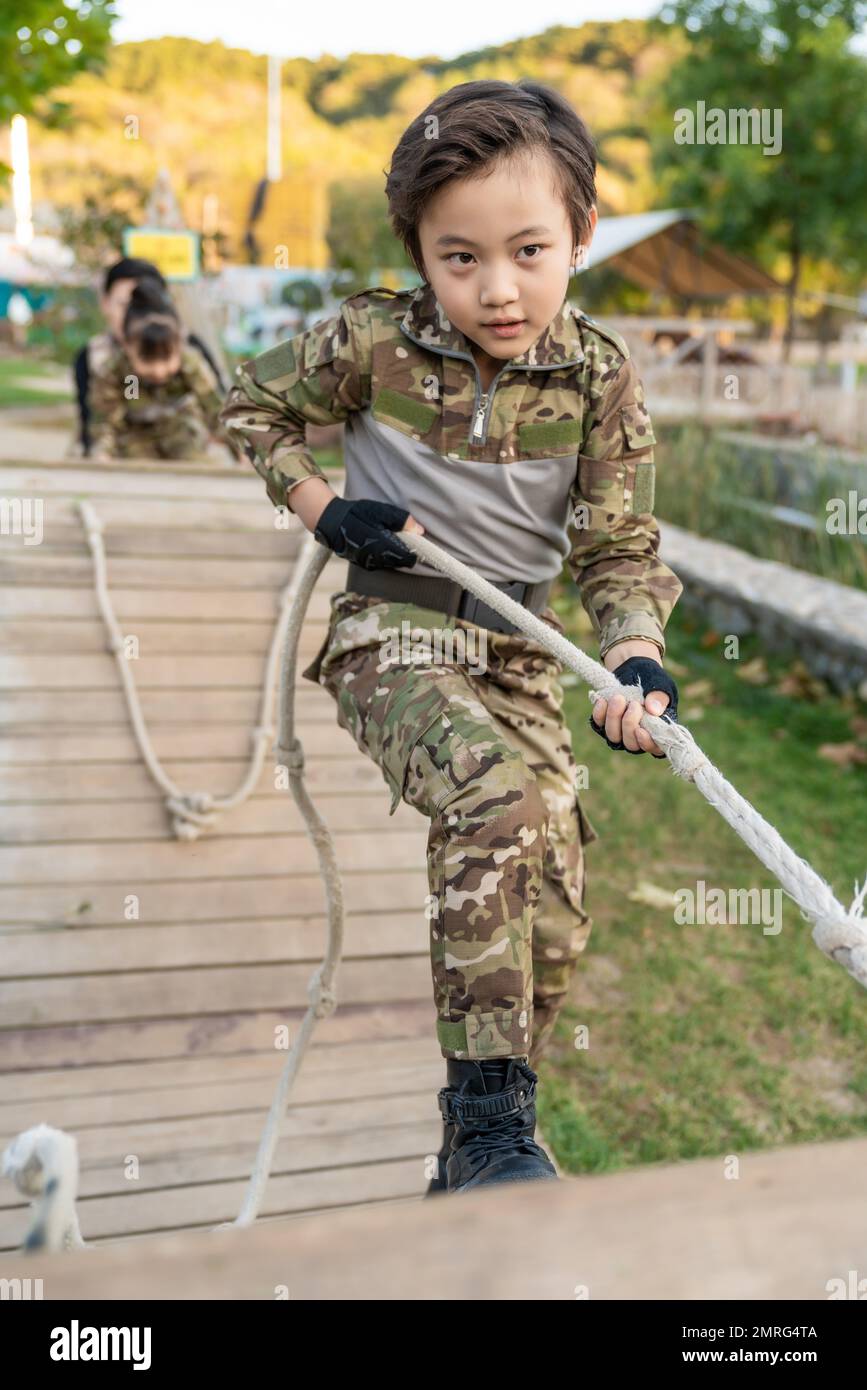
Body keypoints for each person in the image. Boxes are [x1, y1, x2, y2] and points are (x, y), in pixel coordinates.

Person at [219, 79, 683, 1195]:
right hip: (394, 622)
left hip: (520, 653)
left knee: (557, 914)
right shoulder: (374, 339)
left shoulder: (601, 379)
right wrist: (324, 508)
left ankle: (469, 1153)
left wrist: (632, 653)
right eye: (458, 256)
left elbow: (618, 552)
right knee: (491, 799)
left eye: (529, 249)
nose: (498, 287)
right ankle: (487, 1122)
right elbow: (249, 404)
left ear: (580, 234)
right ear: (420, 252)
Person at [72, 256, 227, 457]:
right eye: (126, 305)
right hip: (130, 442)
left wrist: (239, 448)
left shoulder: (190, 352)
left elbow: (216, 406)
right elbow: (100, 422)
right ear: (106, 304)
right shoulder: (100, 360)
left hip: (183, 435)